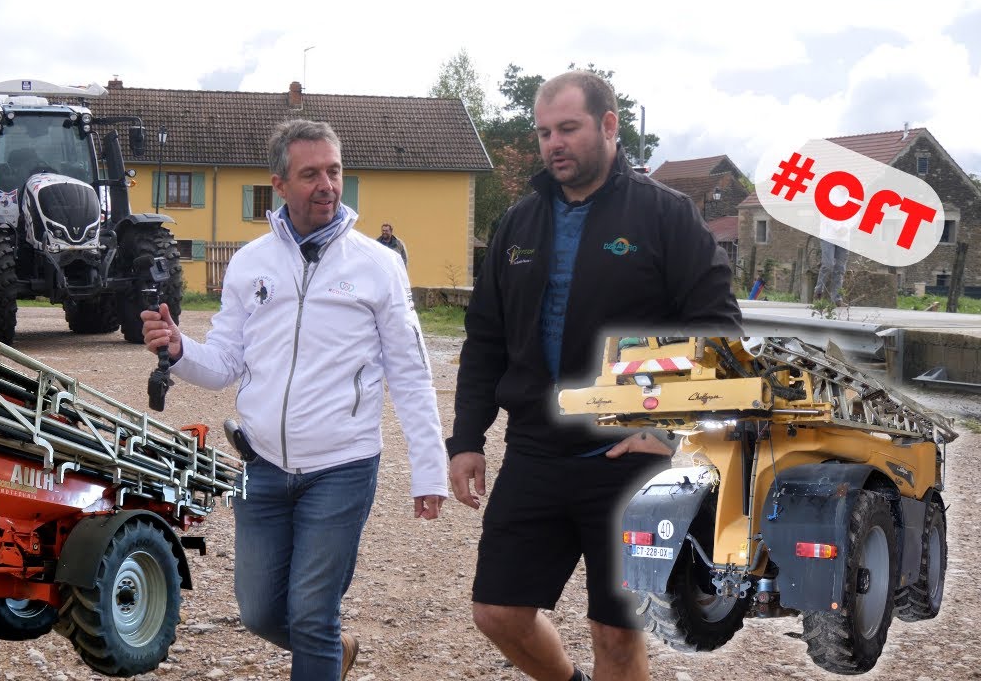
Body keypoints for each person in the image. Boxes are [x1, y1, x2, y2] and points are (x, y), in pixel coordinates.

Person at [447, 70, 742, 681]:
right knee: (498, 612)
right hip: (535, 450)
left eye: (568, 128)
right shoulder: (518, 225)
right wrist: (467, 439)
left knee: (616, 632)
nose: (553, 143)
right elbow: (486, 338)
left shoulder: (666, 216)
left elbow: (717, 329)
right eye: (544, 132)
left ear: (609, 125)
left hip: (632, 460)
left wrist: (668, 430)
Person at [141, 119, 448, 681]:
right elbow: (226, 365)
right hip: (261, 467)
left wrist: (430, 471)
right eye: (311, 174)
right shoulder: (250, 263)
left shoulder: (378, 265)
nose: (327, 184)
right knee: (259, 613)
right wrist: (181, 348)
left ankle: (322, 647)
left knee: (311, 614)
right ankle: (336, 649)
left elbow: (410, 372)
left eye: (334, 171)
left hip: (343, 466)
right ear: (279, 184)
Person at [814, 217, 852, 305]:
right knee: (828, 264)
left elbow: (856, 214)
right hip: (828, 236)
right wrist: (838, 227)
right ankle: (818, 292)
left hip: (844, 238)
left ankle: (837, 299)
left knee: (840, 268)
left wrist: (846, 227)